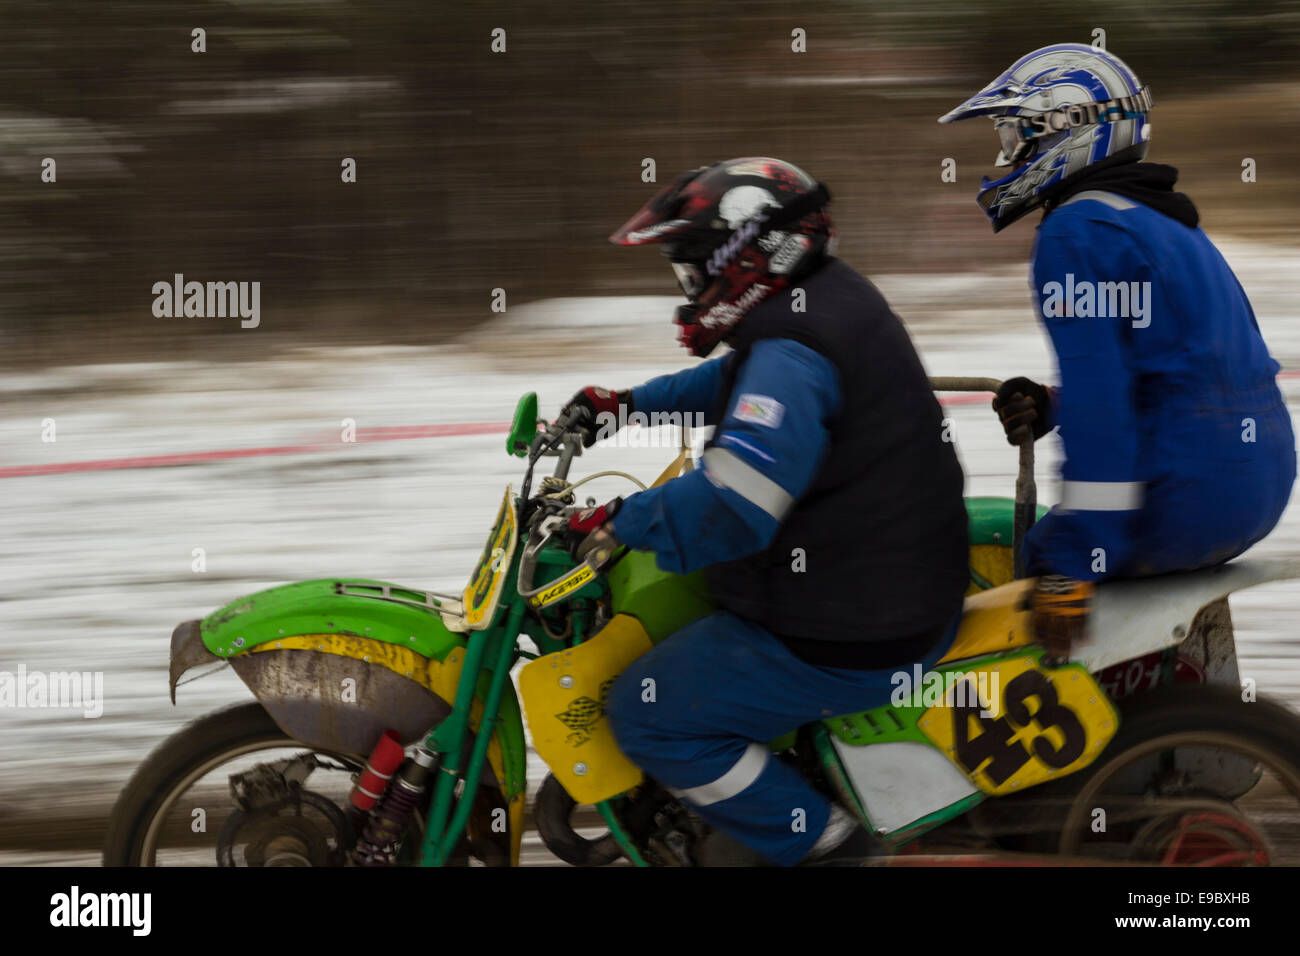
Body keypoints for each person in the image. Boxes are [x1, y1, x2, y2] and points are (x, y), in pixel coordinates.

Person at [558, 157, 969, 865]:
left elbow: (734, 503)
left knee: (649, 712)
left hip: (853, 624)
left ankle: (827, 848)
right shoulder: (824, 301)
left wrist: (622, 521)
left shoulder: (792, 348)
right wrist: (628, 406)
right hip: (889, 581)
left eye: (691, 268)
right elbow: (735, 380)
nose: (688, 288)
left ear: (745, 256)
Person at [938, 44, 1295, 655]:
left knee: (1019, 569)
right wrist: (1055, 405)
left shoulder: (1075, 232)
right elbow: (1187, 367)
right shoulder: (1163, 219)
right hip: (1258, 486)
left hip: (1188, 491)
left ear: (1067, 129)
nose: (1008, 157)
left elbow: (1105, 403)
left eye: (1018, 137)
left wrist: (1071, 561)